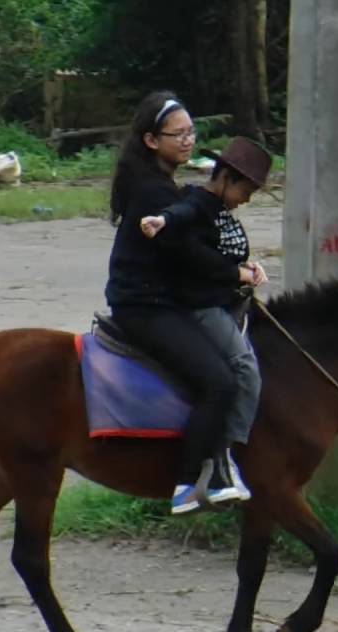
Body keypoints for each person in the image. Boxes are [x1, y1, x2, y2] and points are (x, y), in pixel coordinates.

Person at [103, 91, 254, 515]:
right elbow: (187, 253)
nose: (188, 141)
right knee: (220, 380)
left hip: (162, 302)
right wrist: (235, 274)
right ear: (152, 141)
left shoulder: (164, 184)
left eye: (192, 132)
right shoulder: (152, 192)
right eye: (178, 134)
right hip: (145, 307)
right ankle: (187, 482)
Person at [138, 136, 273, 498]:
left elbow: (227, 255)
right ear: (226, 176)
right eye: (247, 188)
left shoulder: (223, 212)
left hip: (228, 302)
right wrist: (161, 220)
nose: (249, 197)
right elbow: (191, 244)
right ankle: (222, 458)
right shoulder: (196, 204)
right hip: (201, 307)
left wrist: (248, 267)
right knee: (244, 369)